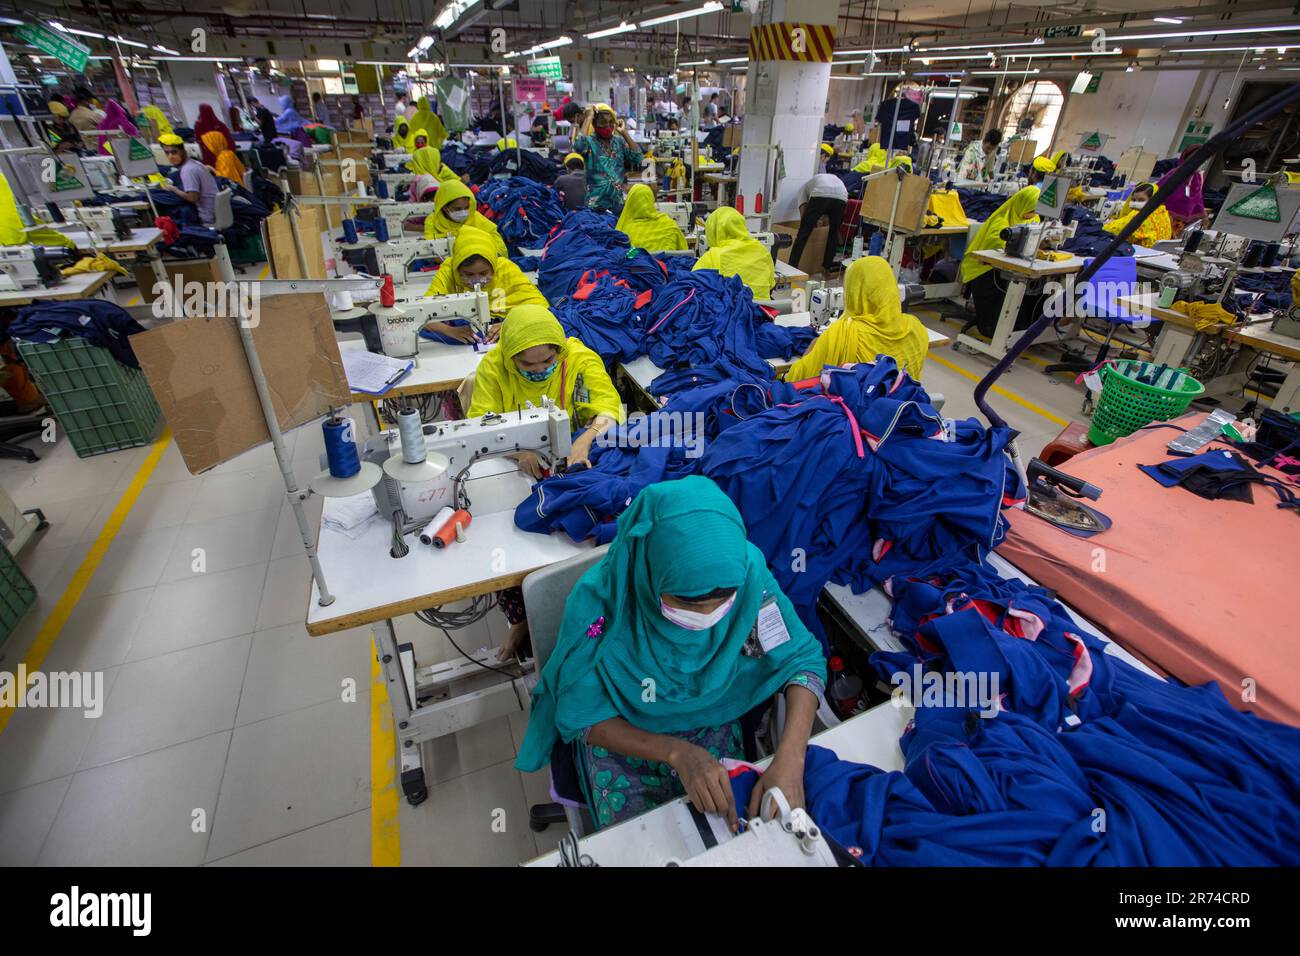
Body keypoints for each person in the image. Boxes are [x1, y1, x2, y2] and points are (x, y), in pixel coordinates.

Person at [515, 475, 826, 829]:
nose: (707, 616)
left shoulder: (748, 576)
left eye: (721, 602)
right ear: (649, 575)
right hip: (624, 741)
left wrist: (790, 758)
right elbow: (581, 717)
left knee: (735, 834)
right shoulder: (603, 607)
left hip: (712, 724)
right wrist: (677, 754)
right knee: (651, 843)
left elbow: (804, 663)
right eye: (686, 601)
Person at [465, 304, 623, 662]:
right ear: (510, 358)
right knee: (509, 543)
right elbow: (479, 427)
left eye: (546, 361)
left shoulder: (579, 359)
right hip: (512, 471)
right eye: (527, 365)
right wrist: (515, 453)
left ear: (558, 349)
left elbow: (608, 407)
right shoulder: (493, 368)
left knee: (575, 537)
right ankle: (522, 618)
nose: (539, 371)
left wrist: (588, 437)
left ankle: (575, 613)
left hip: (572, 462)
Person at [785, 256, 929, 381]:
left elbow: (797, 379)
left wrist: (811, 350)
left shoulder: (844, 333)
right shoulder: (916, 329)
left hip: (855, 411)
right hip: (901, 409)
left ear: (853, 292)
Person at [421, 229, 547, 343]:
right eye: (468, 274)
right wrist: (448, 330)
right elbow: (422, 313)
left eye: (484, 273)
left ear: (493, 267)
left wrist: (509, 324)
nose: (476, 279)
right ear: (457, 269)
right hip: (465, 331)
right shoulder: (449, 271)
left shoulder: (505, 269)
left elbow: (541, 308)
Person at [959, 185, 1042, 339]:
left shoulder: (1032, 219)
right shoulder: (1001, 222)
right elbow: (997, 249)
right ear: (1021, 204)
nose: (1031, 215)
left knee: (1036, 290)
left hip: (1005, 268)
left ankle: (1021, 329)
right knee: (1010, 290)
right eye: (1030, 210)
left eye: (1034, 211)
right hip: (983, 270)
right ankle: (993, 328)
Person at [573, 103, 645, 214]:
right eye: (603, 123)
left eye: (611, 122)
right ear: (594, 124)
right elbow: (578, 146)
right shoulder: (590, 143)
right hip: (595, 205)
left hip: (617, 204)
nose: (607, 126)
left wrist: (624, 133)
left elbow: (638, 157)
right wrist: (588, 117)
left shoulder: (619, 142)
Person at [789, 144, 848, 275]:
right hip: (842, 195)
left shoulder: (803, 189)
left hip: (822, 193)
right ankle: (826, 266)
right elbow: (826, 217)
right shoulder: (818, 180)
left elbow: (803, 212)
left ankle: (792, 266)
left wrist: (809, 225)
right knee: (833, 233)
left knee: (803, 233)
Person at [692, 206, 774, 299]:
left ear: (713, 230)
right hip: (764, 310)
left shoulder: (713, 255)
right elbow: (771, 284)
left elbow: (691, 286)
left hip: (734, 311)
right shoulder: (762, 250)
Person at [421, 179, 509, 257]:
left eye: (466, 207)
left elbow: (499, 245)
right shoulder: (433, 221)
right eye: (457, 209)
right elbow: (432, 252)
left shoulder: (475, 218)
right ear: (444, 207)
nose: (463, 212)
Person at [158, 133, 218, 227]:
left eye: (174, 152)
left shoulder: (188, 170)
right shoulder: (195, 163)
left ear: (182, 151)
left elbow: (192, 198)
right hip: (214, 210)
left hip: (206, 216)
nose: (170, 157)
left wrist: (174, 189)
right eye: (167, 153)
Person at [615, 184, 687, 252]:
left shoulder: (624, 231)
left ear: (629, 202)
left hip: (637, 265)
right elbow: (684, 253)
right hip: (665, 264)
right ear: (651, 200)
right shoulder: (669, 225)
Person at [1103, 182, 1172, 247]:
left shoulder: (1141, 214)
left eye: (1141, 200)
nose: (1136, 203)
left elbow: (1109, 230)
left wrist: (1103, 224)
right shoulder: (1163, 212)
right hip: (1157, 253)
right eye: (1133, 200)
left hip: (1141, 252)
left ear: (1153, 199)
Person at [1157, 146, 1208, 234]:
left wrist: (1203, 215)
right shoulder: (1175, 174)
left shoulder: (1197, 178)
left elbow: (1198, 199)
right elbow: (1158, 194)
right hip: (1165, 219)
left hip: (1182, 224)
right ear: (1186, 158)